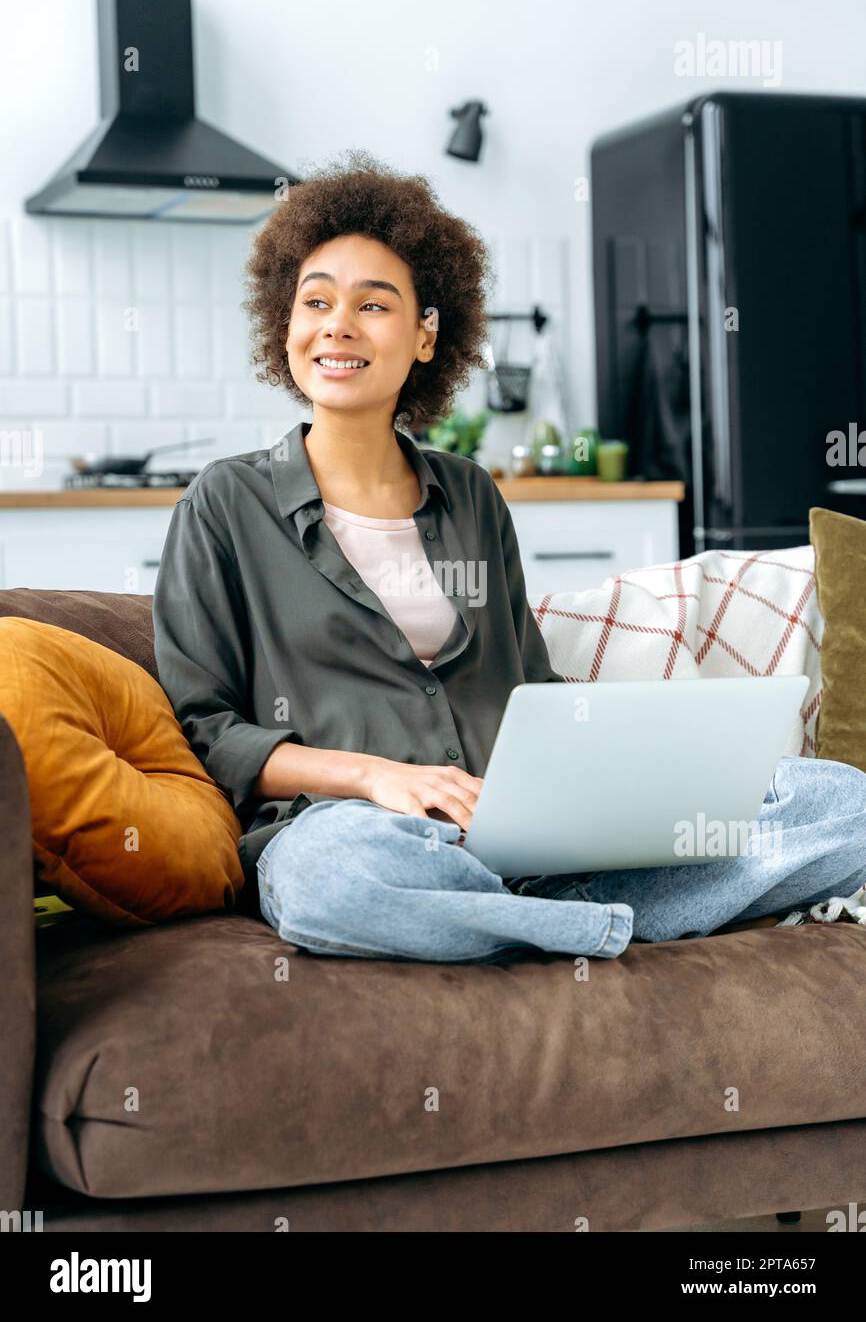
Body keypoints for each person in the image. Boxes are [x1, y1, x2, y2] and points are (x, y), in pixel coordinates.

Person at [151, 150, 866, 964]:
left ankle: (516, 913)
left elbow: (533, 689)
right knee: (332, 883)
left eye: (373, 305)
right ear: (286, 324)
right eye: (314, 301)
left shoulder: (471, 495)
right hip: (355, 834)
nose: (337, 326)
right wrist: (377, 778)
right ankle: (594, 925)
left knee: (841, 801)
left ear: (426, 336)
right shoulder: (225, 503)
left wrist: (632, 779)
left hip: (522, 834)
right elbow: (205, 731)